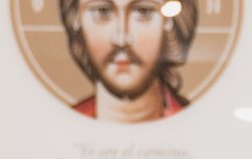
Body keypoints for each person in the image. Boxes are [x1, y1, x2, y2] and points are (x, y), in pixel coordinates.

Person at [62, 0, 195, 123]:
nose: (121, 39)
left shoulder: (198, 125)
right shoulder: (61, 127)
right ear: (76, 19)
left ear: (169, 22)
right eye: (102, 10)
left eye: (143, 11)